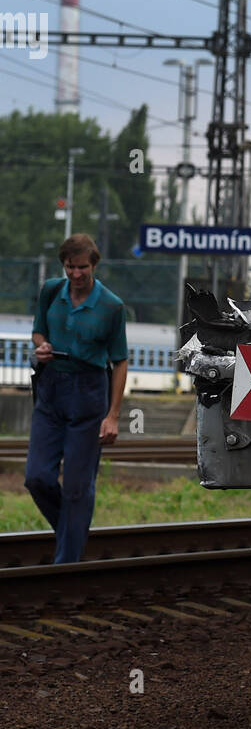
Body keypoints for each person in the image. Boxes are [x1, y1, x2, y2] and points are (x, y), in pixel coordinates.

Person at [25, 233, 129, 563]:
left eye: (82, 267)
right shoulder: (51, 291)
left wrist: (113, 415)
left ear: (94, 265)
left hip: (89, 391)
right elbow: (39, 331)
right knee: (36, 477)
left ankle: (66, 565)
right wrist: (41, 346)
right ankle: (73, 533)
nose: (76, 274)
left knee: (76, 488)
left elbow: (120, 361)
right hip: (51, 388)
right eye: (70, 267)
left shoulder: (112, 306)